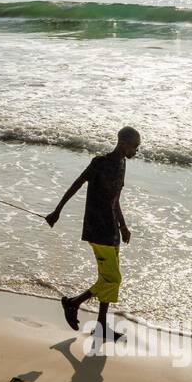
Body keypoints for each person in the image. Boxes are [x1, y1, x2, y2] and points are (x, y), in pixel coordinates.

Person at [45, 126, 140, 339]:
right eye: (135, 146)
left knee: (107, 277)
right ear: (123, 143)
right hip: (97, 229)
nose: (136, 151)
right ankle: (73, 303)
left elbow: (115, 200)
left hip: (112, 229)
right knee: (112, 278)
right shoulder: (100, 163)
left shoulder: (122, 163)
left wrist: (123, 226)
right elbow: (76, 184)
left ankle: (101, 326)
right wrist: (57, 211)